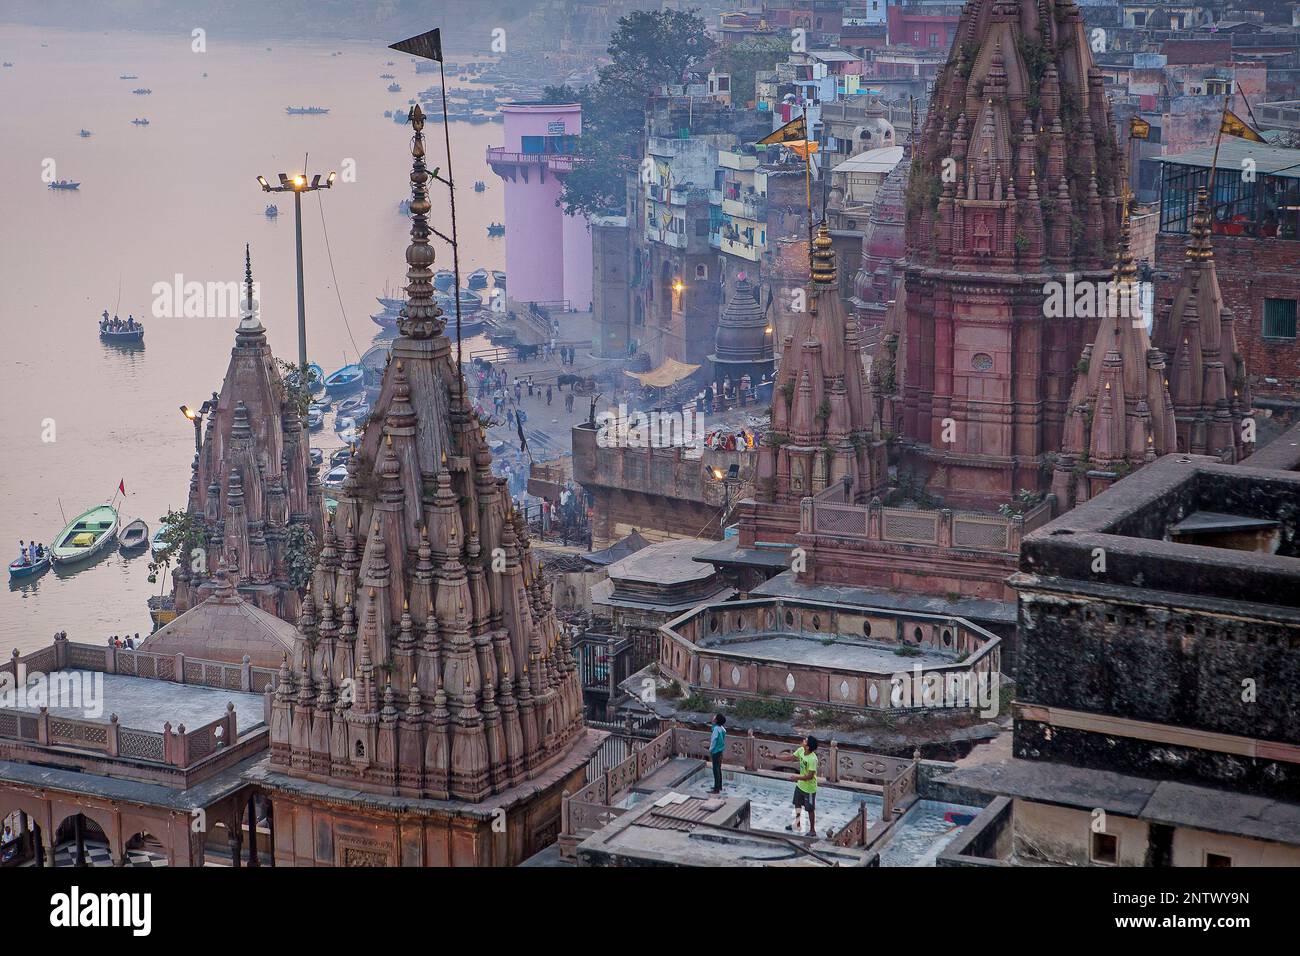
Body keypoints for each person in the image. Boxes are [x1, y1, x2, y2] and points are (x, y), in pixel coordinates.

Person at [777, 735, 820, 837]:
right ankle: (797, 824)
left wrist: (797, 778)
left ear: (808, 747)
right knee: (797, 804)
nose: (803, 740)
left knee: (810, 809)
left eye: (805, 740)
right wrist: (775, 757)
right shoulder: (801, 750)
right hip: (800, 786)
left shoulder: (813, 759)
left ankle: (812, 830)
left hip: (809, 788)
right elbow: (790, 757)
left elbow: (810, 776)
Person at [708, 713, 727, 794]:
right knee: (718, 768)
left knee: (715, 770)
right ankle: (719, 786)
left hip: (715, 751)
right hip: (720, 751)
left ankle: (716, 789)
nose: (713, 717)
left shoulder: (716, 729)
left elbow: (714, 740)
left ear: (716, 720)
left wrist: (710, 749)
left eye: (715, 717)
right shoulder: (722, 729)